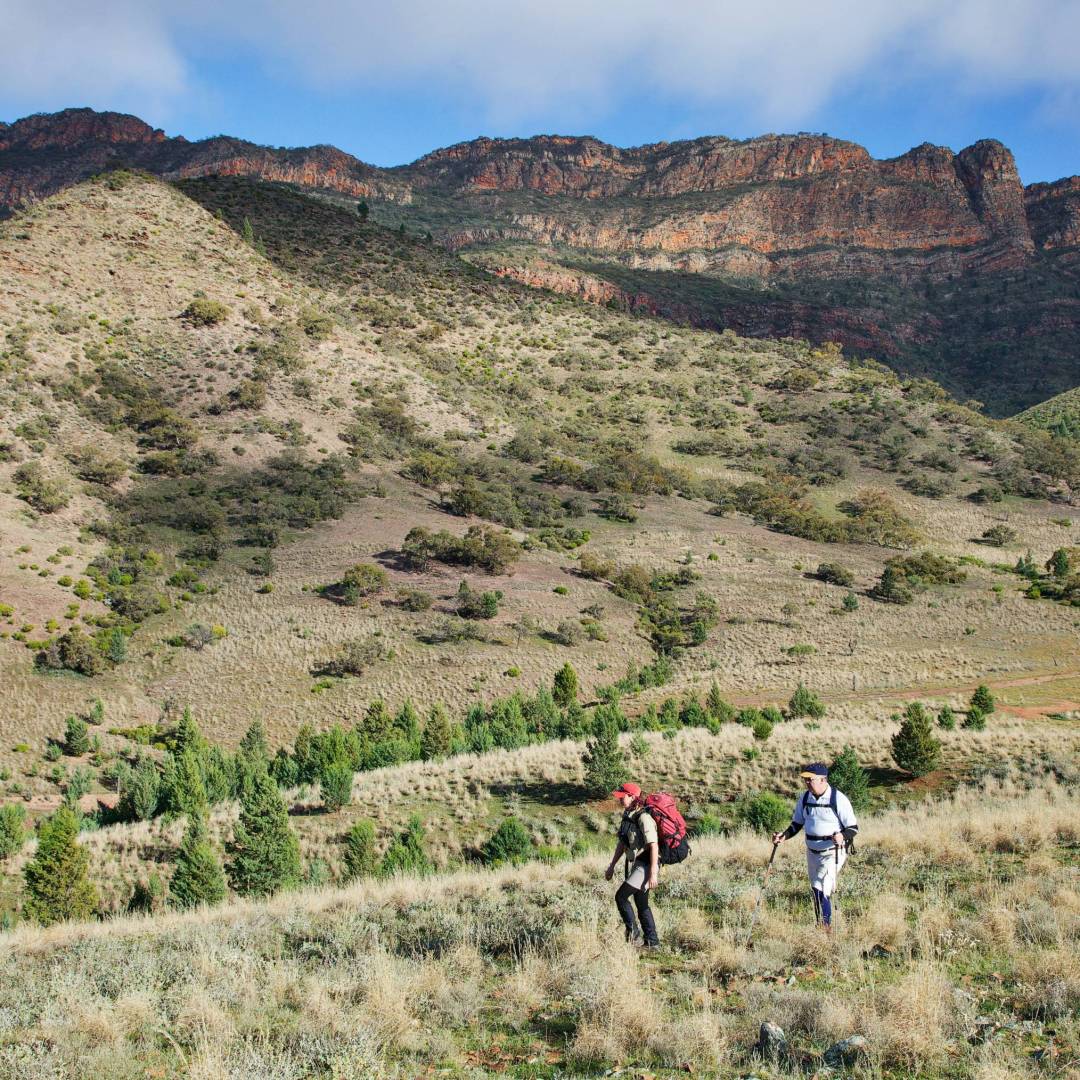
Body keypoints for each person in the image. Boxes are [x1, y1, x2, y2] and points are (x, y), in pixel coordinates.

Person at [772, 763, 858, 930]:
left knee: (822, 887)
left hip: (833, 852)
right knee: (815, 889)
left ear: (823, 780)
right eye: (805, 779)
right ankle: (821, 925)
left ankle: (825, 929)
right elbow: (797, 823)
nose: (807, 783)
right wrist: (784, 836)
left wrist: (842, 836)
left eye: (810, 779)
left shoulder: (838, 799)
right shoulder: (805, 798)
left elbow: (853, 828)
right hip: (812, 852)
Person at [604, 781, 660, 948]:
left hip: (647, 864)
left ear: (633, 797)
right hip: (638, 864)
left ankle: (634, 935)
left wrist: (653, 873)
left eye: (623, 797)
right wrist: (612, 866)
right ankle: (653, 942)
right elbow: (622, 843)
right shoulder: (628, 815)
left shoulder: (644, 817)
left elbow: (654, 845)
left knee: (621, 897)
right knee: (641, 903)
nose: (620, 799)